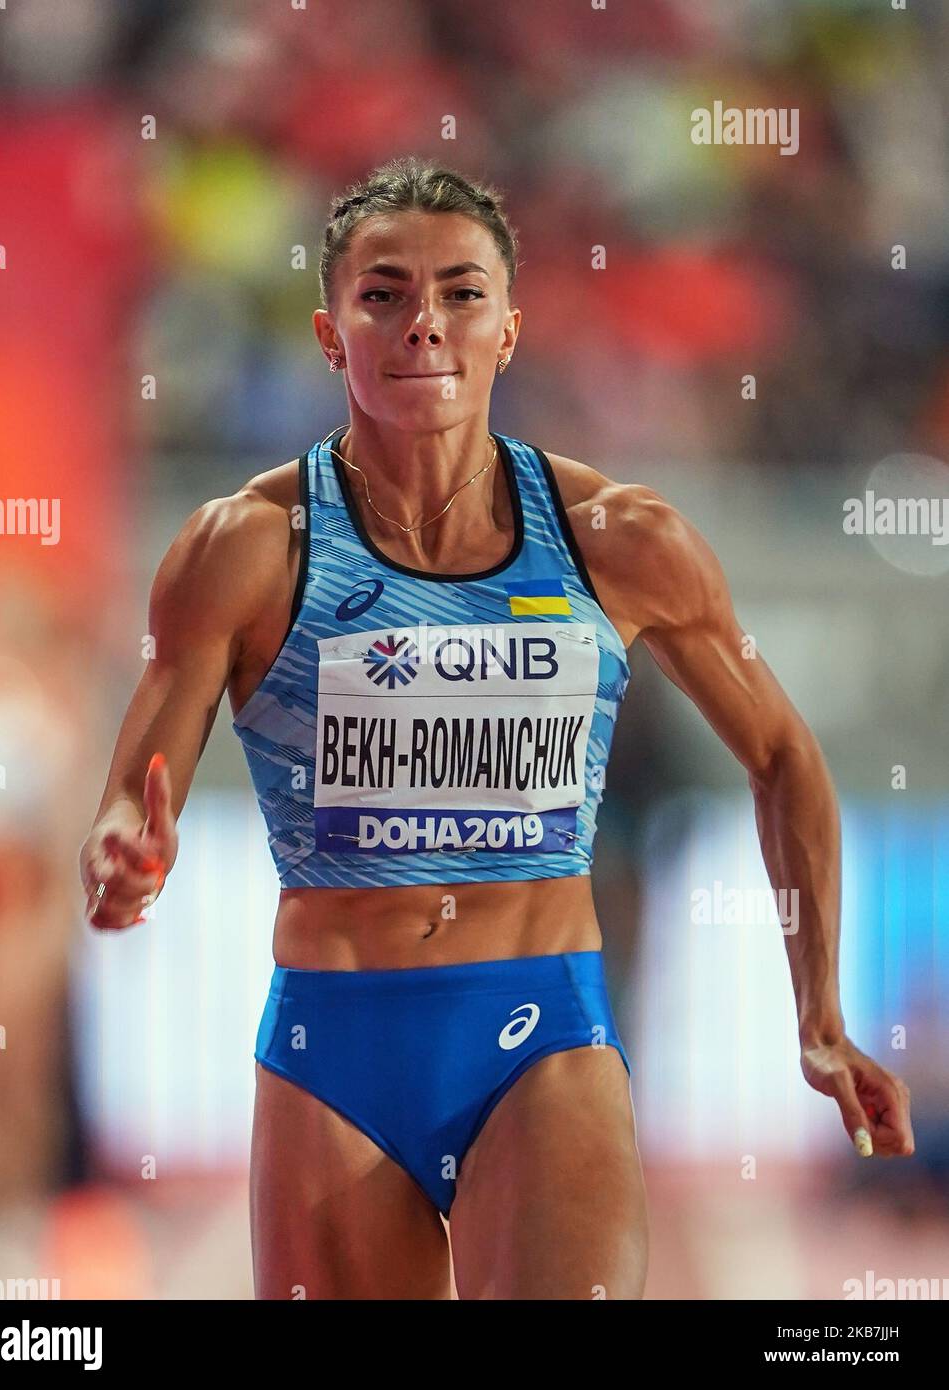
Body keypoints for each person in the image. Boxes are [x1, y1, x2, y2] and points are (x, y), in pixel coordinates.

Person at [79, 156, 915, 1301]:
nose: (423, 322)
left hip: (540, 1038)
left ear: (508, 330)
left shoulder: (618, 539)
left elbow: (781, 753)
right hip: (333, 1047)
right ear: (330, 335)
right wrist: (124, 851)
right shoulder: (243, 548)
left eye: (460, 292)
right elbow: (133, 790)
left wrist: (817, 1014)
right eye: (382, 293)